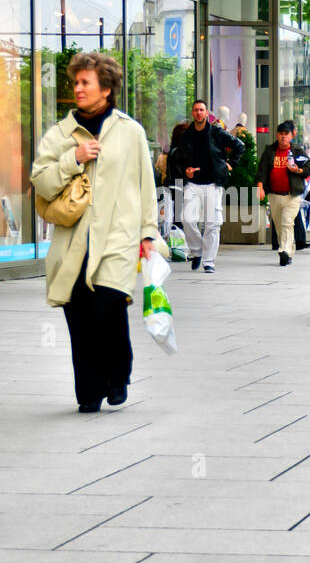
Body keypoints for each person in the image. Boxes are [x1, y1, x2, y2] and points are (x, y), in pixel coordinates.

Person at [31, 52, 159, 413]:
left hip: (118, 237)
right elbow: (40, 182)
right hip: (73, 239)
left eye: (85, 82)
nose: (78, 88)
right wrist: (73, 158)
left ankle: (118, 376)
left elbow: (145, 185)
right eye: (76, 82)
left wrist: (147, 233)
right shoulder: (60, 134)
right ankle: (89, 390)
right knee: (80, 316)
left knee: (109, 304)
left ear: (106, 88)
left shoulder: (131, 131)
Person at [172, 99, 244, 272]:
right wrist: (185, 170)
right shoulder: (186, 135)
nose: (199, 113)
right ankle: (197, 251)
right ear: (192, 113)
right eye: (196, 110)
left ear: (206, 113)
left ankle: (209, 261)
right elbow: (178, 159)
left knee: (213, 222)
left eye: (201, 110)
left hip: (213, 183)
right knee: (187, 218)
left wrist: (231, 164)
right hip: (193, 184)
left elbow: (239, 146)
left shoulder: (216, 132)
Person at [256, 120, 310, 267]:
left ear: (291, 136)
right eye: (280, 133)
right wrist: (260, 186)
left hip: (292, 195)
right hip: (274, 195)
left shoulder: (297, 151)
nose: (283, 136)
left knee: (287, 222)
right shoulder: (270, 151)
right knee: (279, 226)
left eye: (286, 134)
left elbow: (308, 168)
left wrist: (298, 170)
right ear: (277, 135)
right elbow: (262, 170)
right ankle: (288, 250)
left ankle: (284, 251)